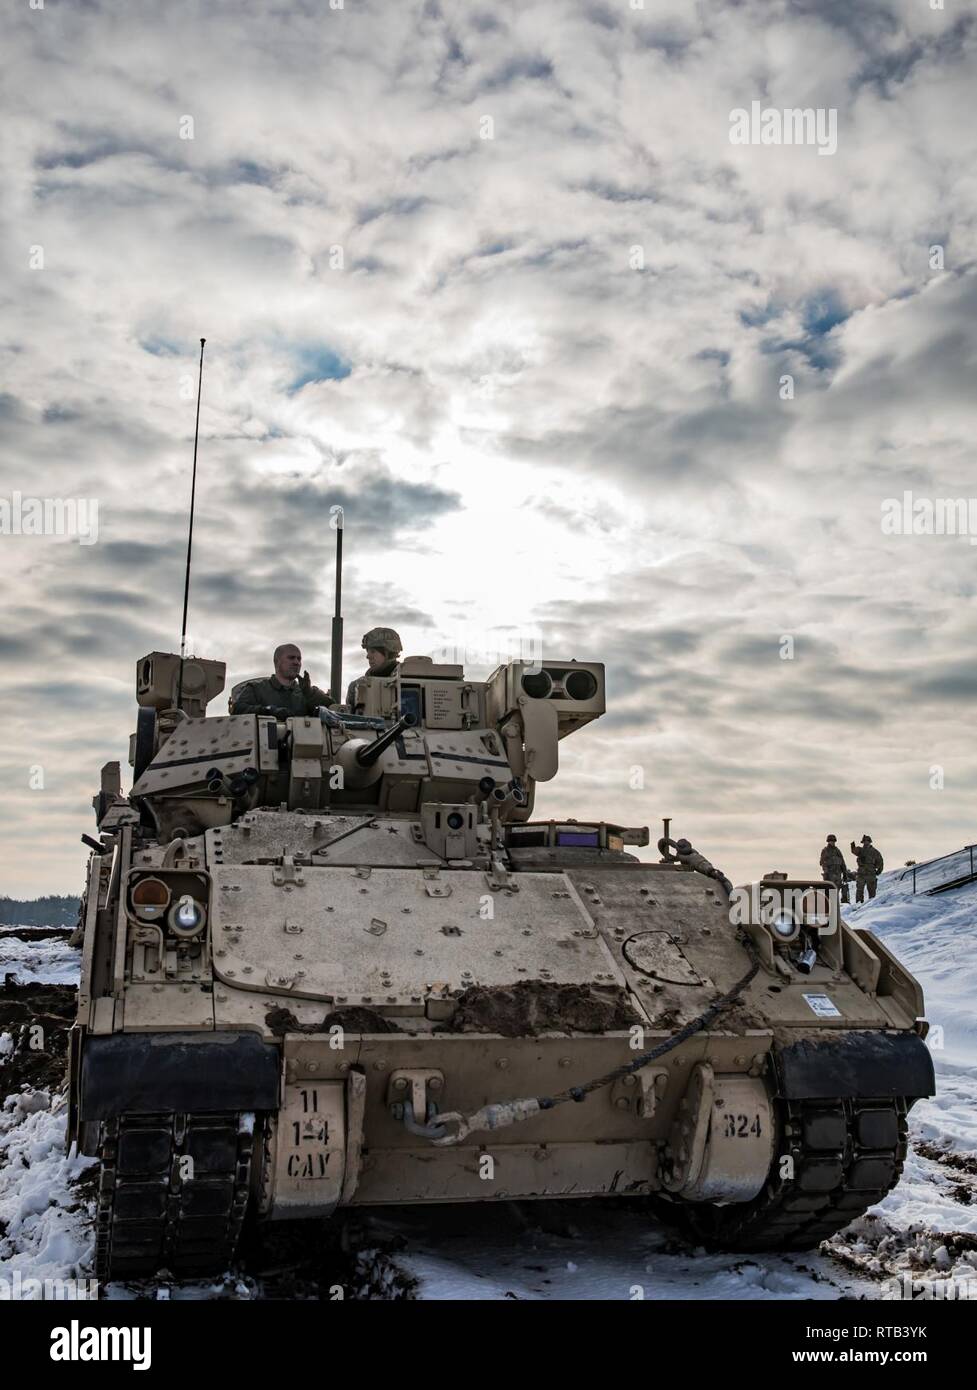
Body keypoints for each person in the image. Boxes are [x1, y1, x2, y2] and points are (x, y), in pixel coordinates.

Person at [232, 644, 334, 717]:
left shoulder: (307, 692)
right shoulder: (256, 689)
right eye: (291, 658)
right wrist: (269, 710)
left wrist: (309, 693)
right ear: (277, 661)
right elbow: (238, 710)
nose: (296, 662)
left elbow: (333, 710)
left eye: (299, 659)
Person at [345, 627, 403, 707]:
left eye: (373, 651)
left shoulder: (407, 681)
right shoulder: (355, 687)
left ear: (388, 653)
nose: (368, 656)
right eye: (367, 651)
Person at [850, 834, 884, 903]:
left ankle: (870, 908)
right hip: (861, 874)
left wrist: (879, 871)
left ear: (869, 842)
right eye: (864, 841)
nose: (865, 843)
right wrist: (852, 846)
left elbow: (880, 862)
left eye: (867, 841)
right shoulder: (860, 850)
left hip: (871, 874)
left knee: (872, 892)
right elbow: (854, 851)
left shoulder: (875, 852)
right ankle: (858, 906)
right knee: (859, 891)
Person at [820, 834, 850, 904]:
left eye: (833, 841)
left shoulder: (837, 851)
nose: (832, 842)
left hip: (838, 875)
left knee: (837, 890)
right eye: (831, 841)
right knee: (830, 891)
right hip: (830, 874)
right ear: (828, 841)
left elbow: (842, 862)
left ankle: (837, 905)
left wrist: (845, 873)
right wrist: (826, 872)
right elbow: (823, 863)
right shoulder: (825, 850)